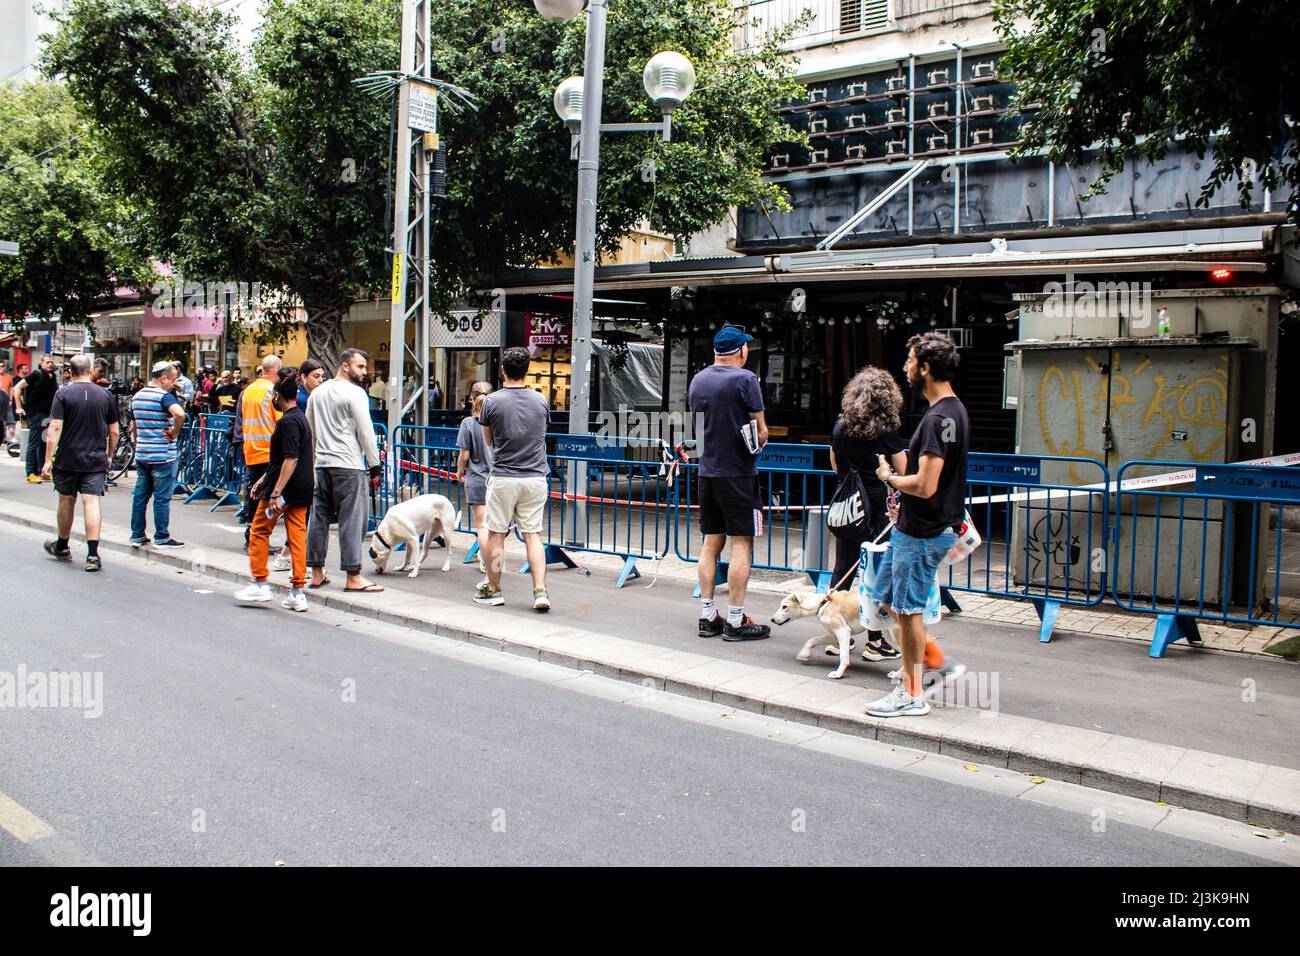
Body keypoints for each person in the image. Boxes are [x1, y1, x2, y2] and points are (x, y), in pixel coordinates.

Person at [867, 332, 970, 718]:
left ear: (925, 368)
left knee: (907, 609)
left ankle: (911, 694)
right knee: (889, 600)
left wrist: (890, 480)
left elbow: (925, 485)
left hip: (922, 531)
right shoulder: (953, 411)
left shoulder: (938, 418)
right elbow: (930, 476)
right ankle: (930, 663)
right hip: (920, 527)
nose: (906, 367)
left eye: (910, 361)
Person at [687, 325, 770, 641]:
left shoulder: (698, 380)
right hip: (738, 474)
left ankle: (708, 615)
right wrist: (757, 440)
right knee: (742, 544)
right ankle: (736, 620)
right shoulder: (746, 380)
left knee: (711, 542)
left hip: (707, 472)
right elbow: (761, 431)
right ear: (742, 351)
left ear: (715, 352)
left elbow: (697, 429)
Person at [827, 366, 909, 662]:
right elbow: (902, 470)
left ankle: (838, 638)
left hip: (846, 503)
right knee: (873, 573)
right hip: (875, 505)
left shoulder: (840, 426)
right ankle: (875, 641)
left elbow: (835, 463)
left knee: (843, 568)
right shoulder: (886, 432)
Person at [475, 347, 551, 611]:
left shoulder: (491, 402)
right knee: (533, 535)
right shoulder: (541, 400)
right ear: (527, 370)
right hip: (535, 476)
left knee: (496, 533)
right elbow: (541, 434)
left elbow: (488, 440)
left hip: (504, 476)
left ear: (503, 370)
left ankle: (494, 589)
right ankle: (540, 591)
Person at [305, 348, 383, 593]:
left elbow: (311, 432)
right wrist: (374, 463)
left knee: (318, 518)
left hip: (322, 465)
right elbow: (365, 431)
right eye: (360, 366)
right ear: (345, 366)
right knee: (352, 520)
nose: (363, 371)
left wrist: (313, 462)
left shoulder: (317, 393)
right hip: (348, 464)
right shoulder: (355, 393)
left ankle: (316, 572)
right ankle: (353, 575)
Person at [235, 373, 315, 611]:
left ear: (278, 396)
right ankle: (298, 591)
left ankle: (260, 582)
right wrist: (263, 480)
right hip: (301, 488)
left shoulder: (287, 422)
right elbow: (285, 460)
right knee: (297, 537)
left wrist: (274, 492)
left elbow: (289, 459)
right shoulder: (302, 419)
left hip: (284, 492)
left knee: (259, 531)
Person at [40, 355, 120, 570]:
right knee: (91, 502)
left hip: (67, 458)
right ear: (91, 370)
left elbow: (55, 428)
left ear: (70, 372)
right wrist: (109, 455)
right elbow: (114, 431)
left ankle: (63, 547)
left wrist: (48, 460)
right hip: (95, 459)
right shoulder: (105, 395)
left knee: (66, 501)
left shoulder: (63, 393)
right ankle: (92, 555)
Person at [129, 361, 188, 549]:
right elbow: (179, 414)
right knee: (162, 498)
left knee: (140, 496)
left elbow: (134, 425)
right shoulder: (164, 397)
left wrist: (139, 443)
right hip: (163, 455)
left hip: (143, 453)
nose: (173, 384)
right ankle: (162, 537)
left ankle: (137, 534)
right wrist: (175, 432)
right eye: (172, 380)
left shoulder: (137, 396)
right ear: (163, 378)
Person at [239, 355, 284, 547]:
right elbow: (280, 419)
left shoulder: (249, 390)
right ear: (277, 370)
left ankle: (252, 536)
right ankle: (257, 539)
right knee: (265, 499)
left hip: (251, 449)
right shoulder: (271, 391)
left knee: (254, 495)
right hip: (267, 450)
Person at [455, 382, 494, 577]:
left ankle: (487, 564)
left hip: (477, 479)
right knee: (497, 526)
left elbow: (464, 455)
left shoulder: (468, 424)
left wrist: (459, 472)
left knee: (482, 526)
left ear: (472, 398)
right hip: (498, 479)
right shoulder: (497, 422)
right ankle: (494, 562)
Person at [14, 354, 59, 483]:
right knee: (33, 443)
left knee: (44, 442)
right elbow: (17, 387)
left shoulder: (52, 377)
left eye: (51, 362)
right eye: (47, 362)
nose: (50, 364)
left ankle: (42, 471)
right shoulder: (36, 375)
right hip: (36, 413)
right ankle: (31, 472)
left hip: (48, 414)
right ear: (41, 363)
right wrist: (19, 407)